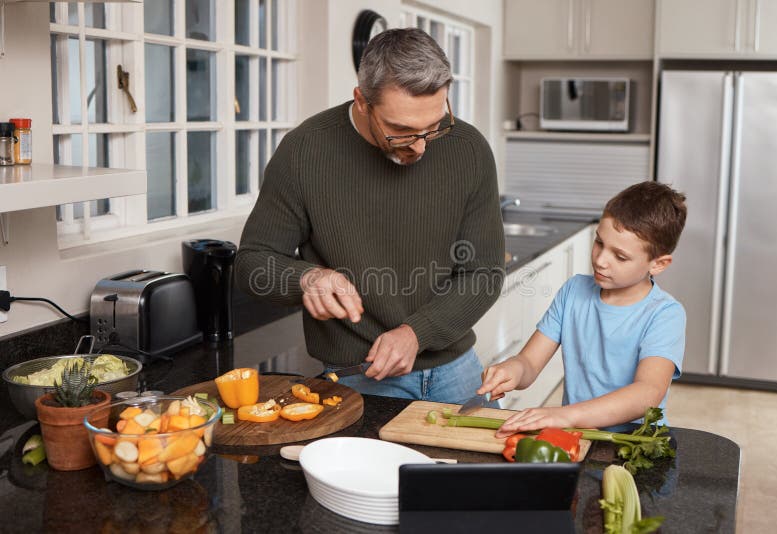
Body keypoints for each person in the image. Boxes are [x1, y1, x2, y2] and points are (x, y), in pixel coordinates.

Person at [234, 28, 505, 404]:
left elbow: (484, 273)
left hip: (457, 370)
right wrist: (307, 278)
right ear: (362, 101)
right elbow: (252, 263)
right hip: (357, 376)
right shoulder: (304, 151)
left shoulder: (468, 149)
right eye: (401, 130)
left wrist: (416, 334)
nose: (420, 147)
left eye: (433, 126)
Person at [478, 181, 687, 436]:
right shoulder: (573, 291)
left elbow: (648, 393)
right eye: (599, 242)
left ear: (658, 264)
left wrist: (565, 415)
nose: (600, 260)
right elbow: (529, 362)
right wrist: (512, 369)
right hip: (577, 435)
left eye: (620, 256)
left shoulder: (665, 314)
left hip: (634, 441)